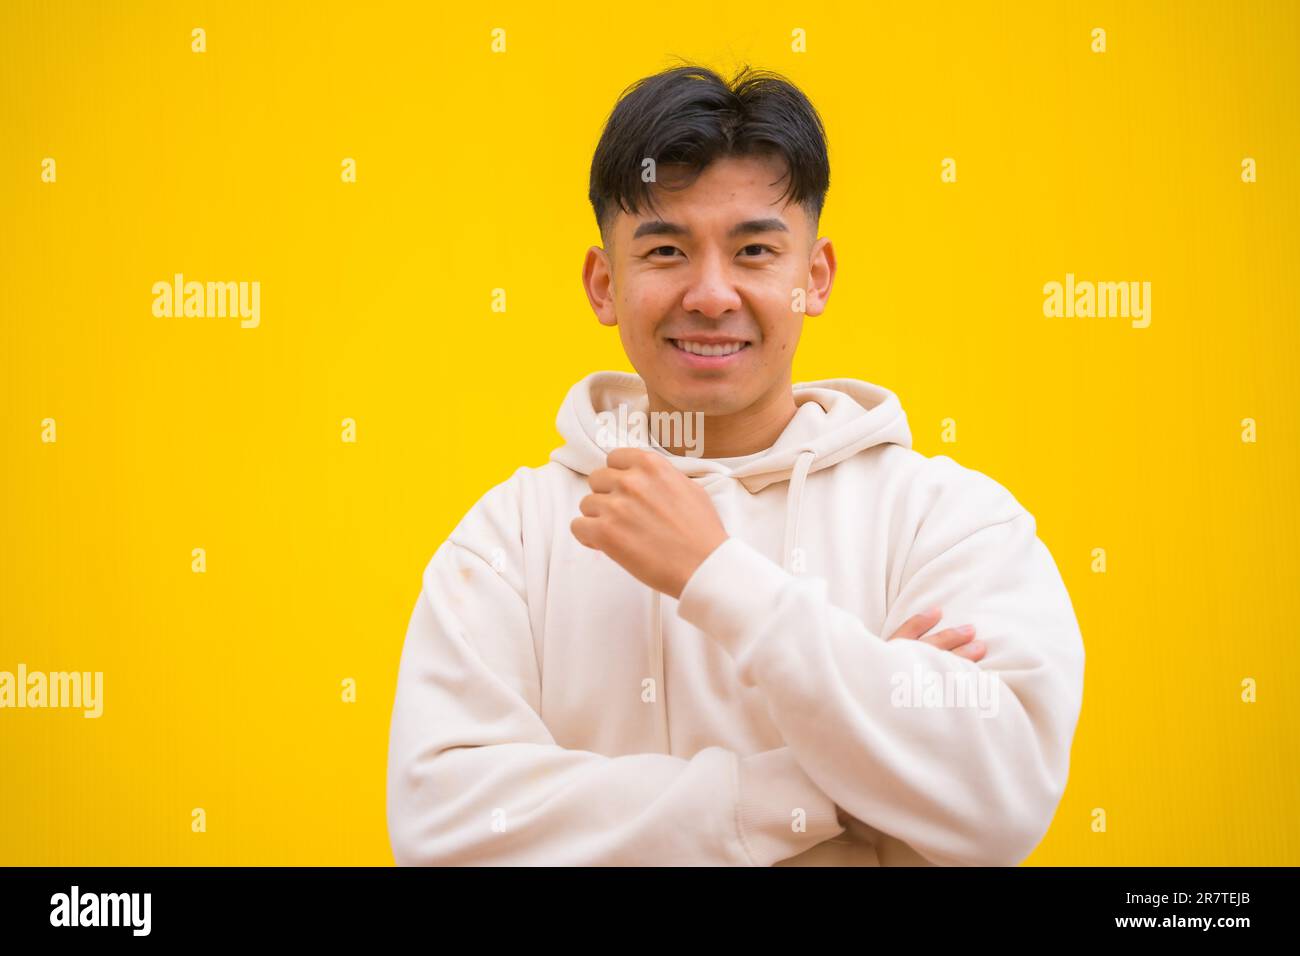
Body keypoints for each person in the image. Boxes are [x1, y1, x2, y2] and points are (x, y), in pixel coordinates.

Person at [385, 63, 1085, 866]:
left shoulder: (948, 520)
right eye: (666, 250)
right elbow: (446, 836)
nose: (712, 294)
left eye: (754, 250)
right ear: (603, 283)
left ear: (812, 278)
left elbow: (1001, 796)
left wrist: (718, 576)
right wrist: (823, 792)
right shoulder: (510, 540)